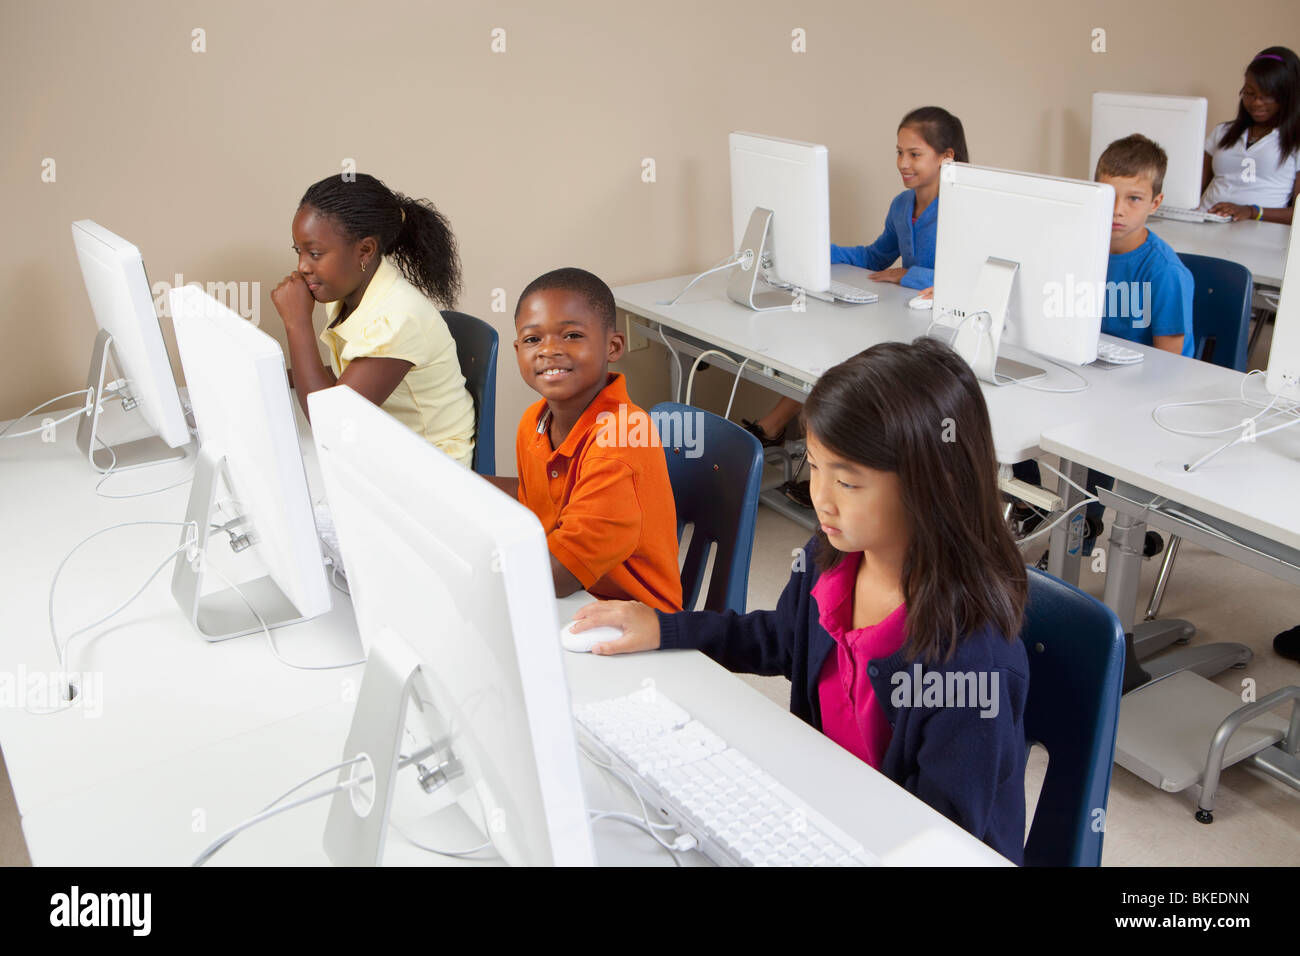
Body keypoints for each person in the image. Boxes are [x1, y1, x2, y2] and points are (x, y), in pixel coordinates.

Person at [573, 338, 1030, 862]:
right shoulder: (831, 560)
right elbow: (778, 638)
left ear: (932, 485)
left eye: (849, 482)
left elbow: (942, 840)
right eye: (814, 466)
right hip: (826, 823)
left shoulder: (972, 661)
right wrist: (665, 628)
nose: (821, 498)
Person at [743, 108, 970, 508]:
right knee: (829, 352)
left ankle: (820, 454)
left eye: (914, 154)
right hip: (902, 318)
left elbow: (963, 279)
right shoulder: (903, 204)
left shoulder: (966, 207)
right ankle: (827, 460)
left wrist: (910, 275)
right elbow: (876, 255)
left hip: (944, 332)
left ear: (946, 157)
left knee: (857, 368)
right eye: (899, 152)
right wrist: (815, 251)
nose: (903, 163)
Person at [489, 268, 683, 611]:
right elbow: (534, 507)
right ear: (518, 349)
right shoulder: (533, 422)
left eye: (572, 335)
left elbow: (559, 574)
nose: (549, 350)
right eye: (533, 340)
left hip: (635, 628)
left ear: (613, 346)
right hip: (571, 602)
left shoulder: (623, 438)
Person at [270, 173, 476, 467]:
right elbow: (352, 373)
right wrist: (271, 377)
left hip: (432, 468)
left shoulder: (397, 320)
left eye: (315, 253)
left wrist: (297, 323)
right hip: (382, 442)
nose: (302, 266)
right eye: (299, 251)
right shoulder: (346, 294)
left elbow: (332, 425)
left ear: (365, 251)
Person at [1202, 46, 1300, 224]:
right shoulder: (1222, 132)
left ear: (1287, 96)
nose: (1256, 102)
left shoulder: (1295, 141)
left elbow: (1298, 213)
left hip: (1259, 236)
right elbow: (1192, 190)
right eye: (1249, 93)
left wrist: (1252, 211)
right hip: (1205, 222)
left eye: (1267, 95)